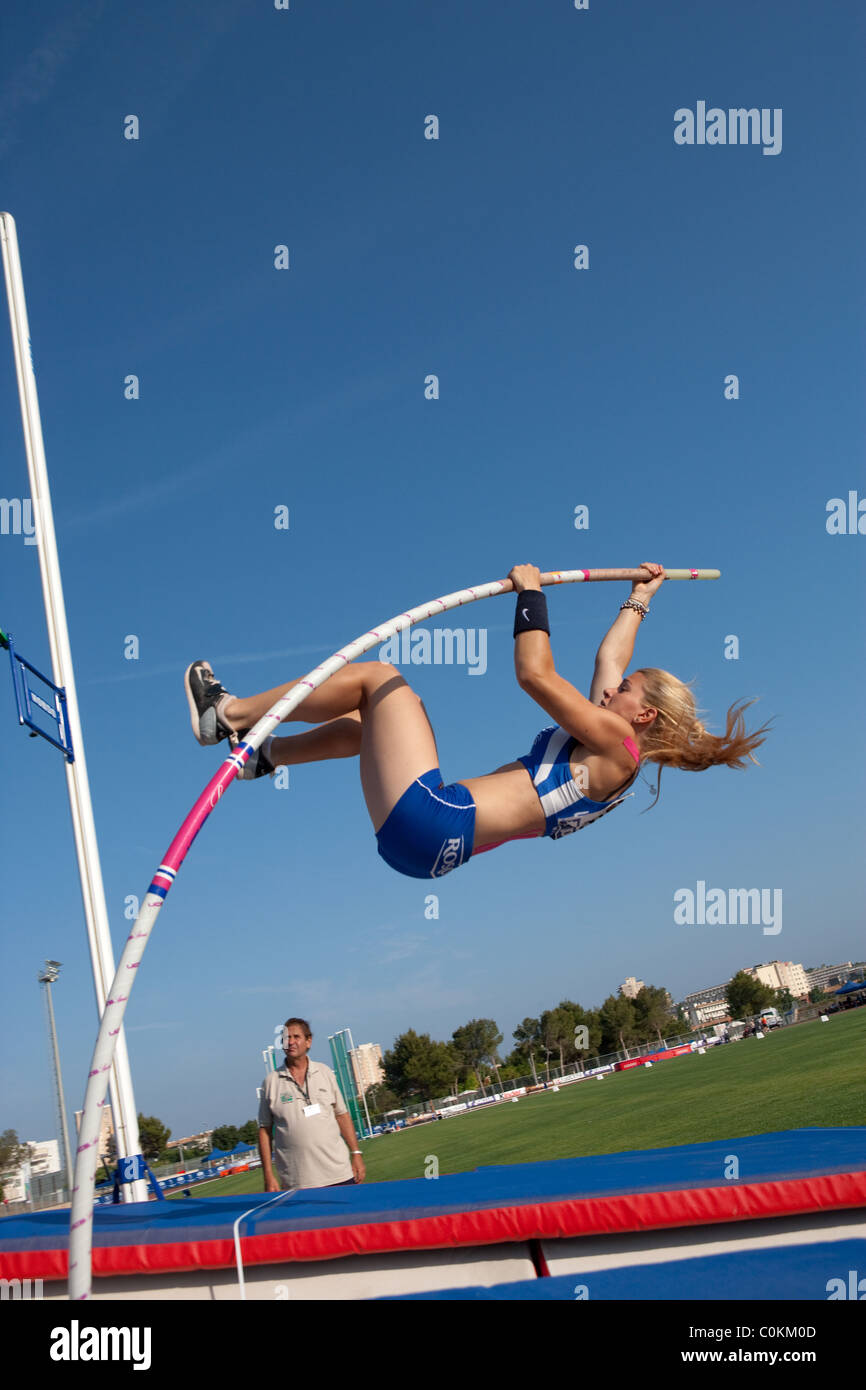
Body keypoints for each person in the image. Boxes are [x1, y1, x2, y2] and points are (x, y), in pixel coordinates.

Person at [185, 563, 770, 880]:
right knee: (366, 729)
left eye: (626, 691)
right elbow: (609, 660)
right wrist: (643, 595)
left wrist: (530, 594)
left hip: (434, 819)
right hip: (428, 848)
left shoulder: (615, 741)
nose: (613, 688)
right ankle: (268, 756)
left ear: (642, 714)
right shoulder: (614, 753)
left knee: (379, 679)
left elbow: (535, 674)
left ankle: (226, 713)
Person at [257, 1018, 365, 1191]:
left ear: (308, 1041)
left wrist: (356, 1153)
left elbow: (342, 1115)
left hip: (339, 1174)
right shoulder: (271, 1082)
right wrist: (268, 1175)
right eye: (286, 1038)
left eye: (296, 1036)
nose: (290, 1041)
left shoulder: (324, 1072)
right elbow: (264, 1130)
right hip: (297, 1182)